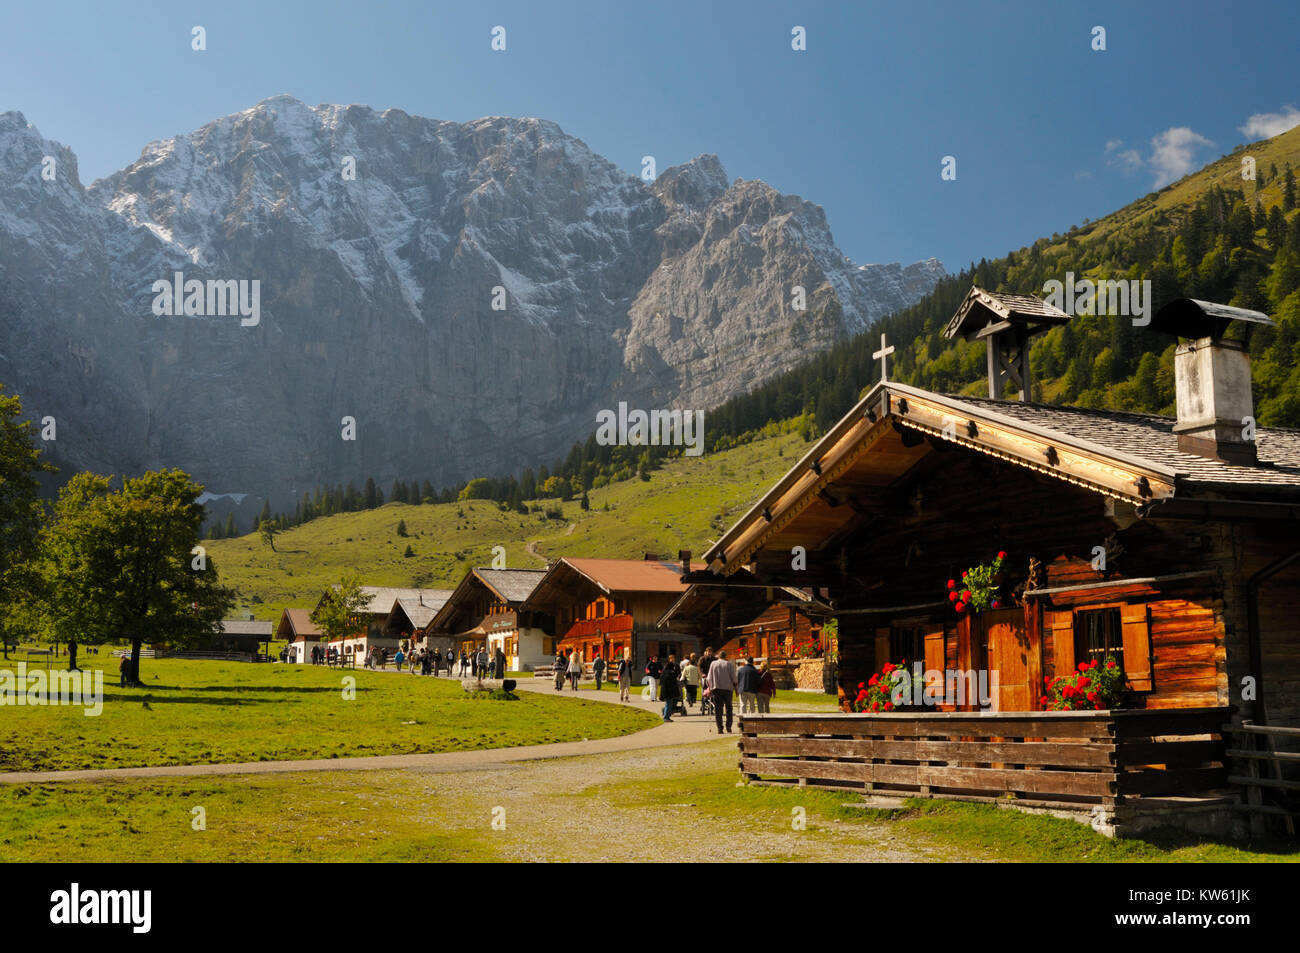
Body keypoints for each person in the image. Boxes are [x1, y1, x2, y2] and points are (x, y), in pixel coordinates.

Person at [705, 649, 737, 733]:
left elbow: (709, 678)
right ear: (725, 656)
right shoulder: (729, 664)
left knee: (718, 709)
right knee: (729, 708)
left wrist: (710, 687)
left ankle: (720, 728)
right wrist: (735, 685)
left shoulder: (713, 663)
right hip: (728, 689)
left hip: (717, 688)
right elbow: (734, 677)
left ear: (718, 656)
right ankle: (728, 727)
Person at [659, 654, 681, 722]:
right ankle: (666, 717)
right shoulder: (671, 674)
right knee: (669, 704)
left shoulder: (664, 673)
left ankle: (666, 716)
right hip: (669, 692)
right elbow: (676, 676)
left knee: (667, 704)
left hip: (664, 691)